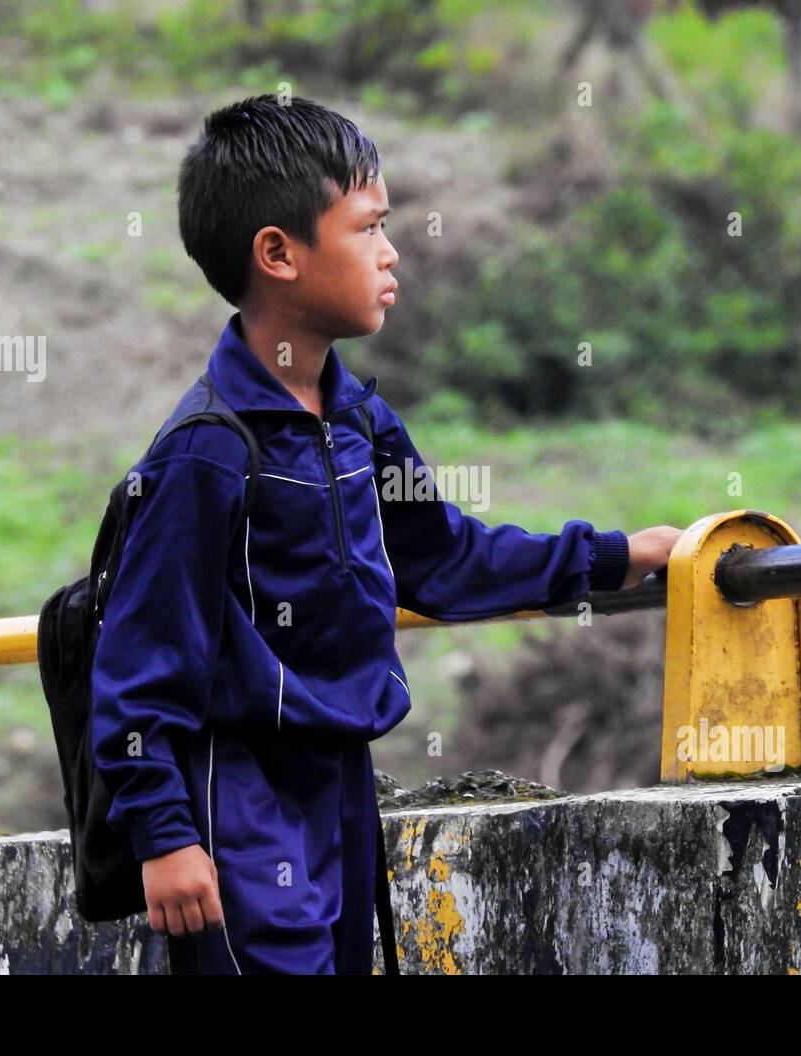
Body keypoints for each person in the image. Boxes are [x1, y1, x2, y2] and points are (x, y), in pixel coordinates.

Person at [89, 94, 681, 975]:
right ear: (278, 254)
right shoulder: (207, 454)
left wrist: (612, 555)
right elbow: (137, 662)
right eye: (368, 228)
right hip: (239, 806)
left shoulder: (356, 418)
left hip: (342, 790)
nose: (391, 252)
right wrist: (166, 836)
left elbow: (440, 559)